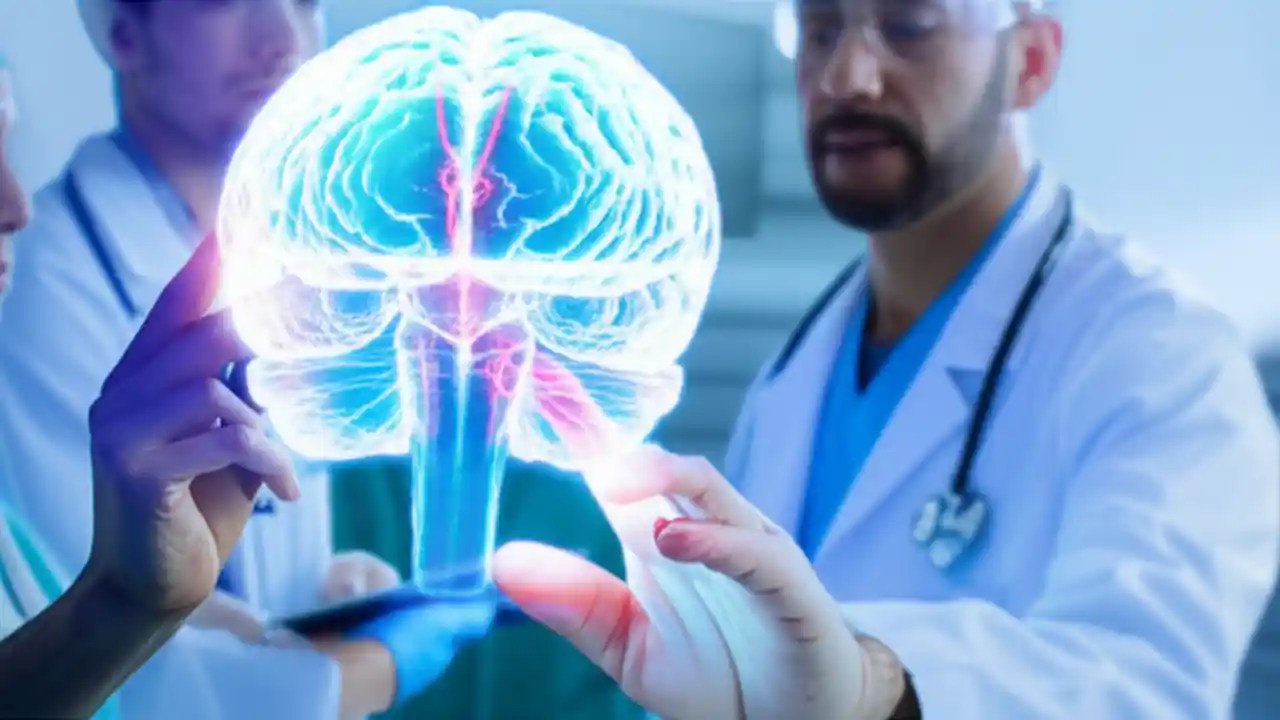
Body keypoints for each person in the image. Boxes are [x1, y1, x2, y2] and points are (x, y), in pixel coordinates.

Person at [493, 1, 1280, 718]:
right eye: (820, 27)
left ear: (1030, 63)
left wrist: (872, 684)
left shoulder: (1164, 356)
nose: (847, 75)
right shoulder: (796, 375)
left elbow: (1147, 686)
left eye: (910, 24)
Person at [0, 4, 488, 719]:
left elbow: (234, 568)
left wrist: (324, 596)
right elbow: (96, 665)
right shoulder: (41, 289)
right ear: (125, 32)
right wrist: (372, 667)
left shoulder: (282, 263)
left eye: (305, 2)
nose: (285, 39)